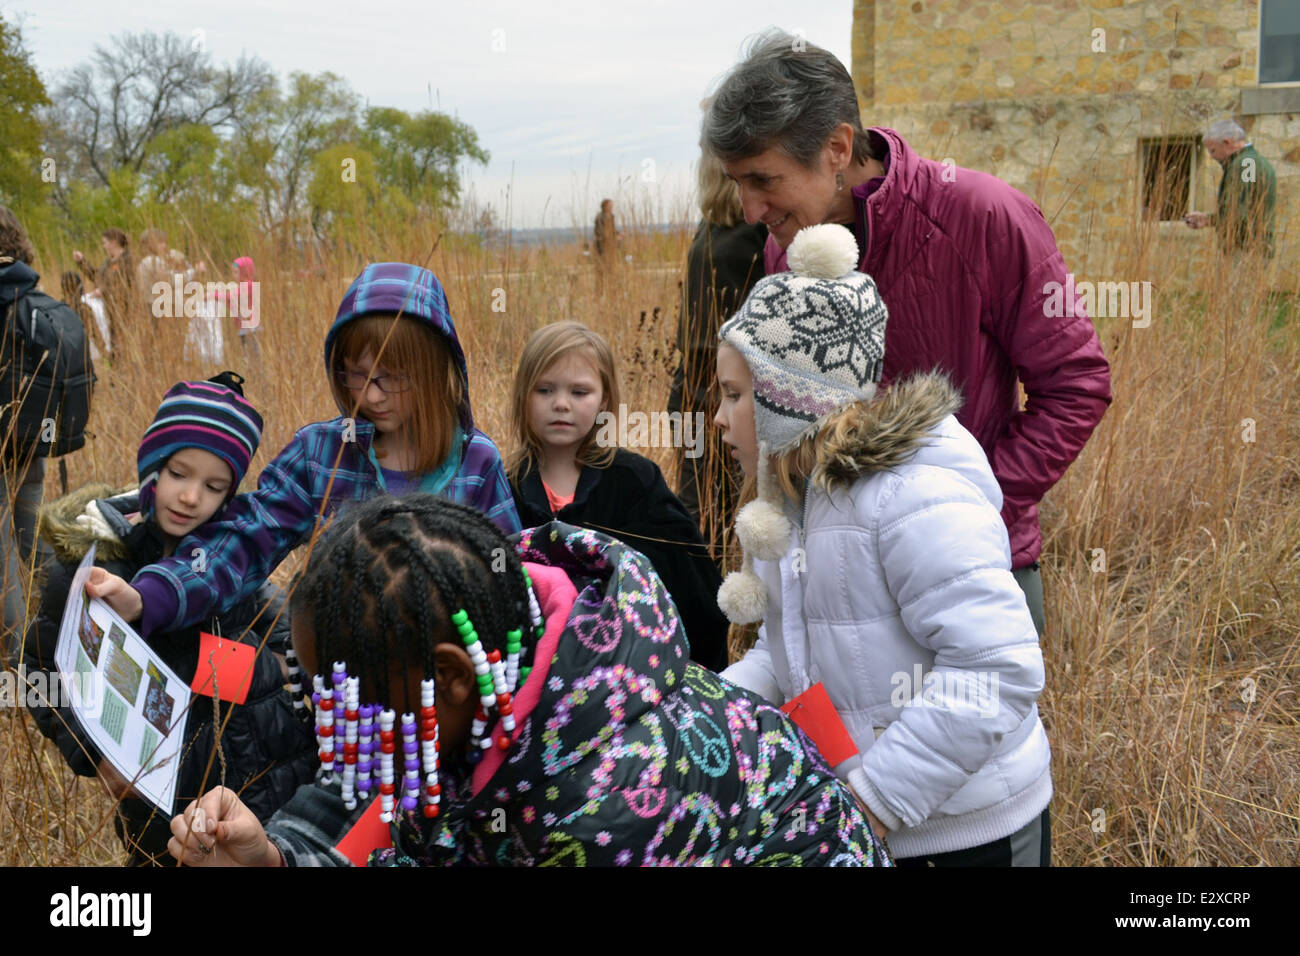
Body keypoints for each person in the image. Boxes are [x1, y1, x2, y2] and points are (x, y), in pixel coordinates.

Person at [166, 494, 888, 867]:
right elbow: (392, 814)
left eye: (348, 701)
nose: (331, 723)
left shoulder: (611, 806)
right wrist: (274, 858)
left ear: (448, 680)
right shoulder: (489, 675)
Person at [702, 31, 1112, 636]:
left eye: (763, 180)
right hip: (841, 581)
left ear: (838, 147)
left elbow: (1077, 384)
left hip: (973, 570)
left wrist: (972, 507)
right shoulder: (784, 251)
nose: (749, 209)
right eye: (737, 182)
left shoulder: (983, 214)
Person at [713, 223, 1052, 866]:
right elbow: (784, 649)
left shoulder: (913, 495)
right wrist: (708, 710)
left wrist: (873, 800)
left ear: (788, 402)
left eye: (735, 396)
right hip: (874, 825)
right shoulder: (790, 505)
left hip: (969, 829)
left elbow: (995, 669)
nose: (719, 418)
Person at [86, 262, 521, 639]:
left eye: (394, 377)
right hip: (339, 688)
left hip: (447, 690)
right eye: (356, 375)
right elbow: (244, 541)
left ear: (434, 370)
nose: (371, 396)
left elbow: (509, 573)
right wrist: (149, 596)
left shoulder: (475, 462)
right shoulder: (322, 454)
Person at [23, 372, 317, 865]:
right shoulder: (94, 568)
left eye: (213, 486)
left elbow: (284, 648)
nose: (189, 497)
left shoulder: (229, 560)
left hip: (261, 795)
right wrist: (95, 757)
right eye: (179, 474)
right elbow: (37, 672)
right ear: (151, 467)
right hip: (161, 811)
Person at [507, 320, 728, 670]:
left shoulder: (633, 482)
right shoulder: (507, 486)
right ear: (523, 394)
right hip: (534, 677)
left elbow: (696, 589)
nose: (561, 404)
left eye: (579, 393)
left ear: (605, 399)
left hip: (629, 673)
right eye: (544, 390)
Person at [668, 147, 768, 557]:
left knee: (724, 516)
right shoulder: (723, 227)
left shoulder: (751, 231)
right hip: (704, 388)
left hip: (715, 388)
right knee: (710, 518)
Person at [0, 207, 54, 662]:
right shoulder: (30, 291)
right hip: (30, 440)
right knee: (36, 539)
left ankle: (18, 660)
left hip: (2, 445)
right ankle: (67, 630)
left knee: (3, 564)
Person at [1184, 119, 1277, 257]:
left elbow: (1241, 210)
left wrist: (1210, 220)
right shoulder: (1248, 161)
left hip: (1246, 249)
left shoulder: (1247, 164)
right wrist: (1208, 219)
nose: (1212, 156)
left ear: (1227, 143)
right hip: (1248, 248)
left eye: (1213, 150)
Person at [73, 228, 133, 350]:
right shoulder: (108, 263)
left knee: (124, 342)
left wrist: (103, 291)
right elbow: (96, 277)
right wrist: (82, 261)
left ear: (114, 242)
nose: (104, 246)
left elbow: (127, 284)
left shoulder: (128, 260)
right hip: (111, 309)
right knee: (115, 341)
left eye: (105, 243)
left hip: (127, 310)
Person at [60, 271, 112, 360]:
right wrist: (108, 358)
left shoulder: (57, 309)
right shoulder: (84, 309)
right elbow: (97, 338)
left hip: (62, 359)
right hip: (80, 361)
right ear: (80, 288)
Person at [593, 198, 618, 292]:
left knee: (611, 270)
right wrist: (607, 237)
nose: (612, 207)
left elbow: (613, 229)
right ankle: (599, 291)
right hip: (601, 246)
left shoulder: (611, 216)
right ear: (605, 206)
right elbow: (599, 232)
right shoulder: (599, 217)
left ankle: (611, 289)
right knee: (600, 270)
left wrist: (618, 234)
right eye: (610, 206)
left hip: (611, 246)